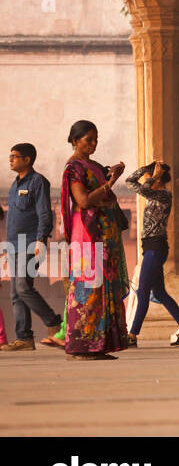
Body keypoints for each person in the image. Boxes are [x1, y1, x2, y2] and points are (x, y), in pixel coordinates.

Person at [60, 120, 129, 361]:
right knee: (87, 289)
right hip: (87, 235)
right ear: (75, 140)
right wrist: (109, 183)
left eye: (95, 139)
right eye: (88, 139)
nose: (93, 144)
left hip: (104, 233)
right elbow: (84, 201)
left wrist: (108, 183)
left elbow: (105, 199)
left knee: (102, 290)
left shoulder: (94, 166)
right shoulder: (74, 168)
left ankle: (99, 346)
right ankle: (82, 347)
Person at [124, 162, 179, 348]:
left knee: (142, 292)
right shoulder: (154, 195)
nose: (147, 179)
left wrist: (154, 175)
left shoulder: (163, 195)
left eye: (151, 177)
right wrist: (147, 168)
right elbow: (129, 181)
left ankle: (132, 335)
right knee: (160, 293)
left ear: (159, 179)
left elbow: (140, 188)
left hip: (156, 248)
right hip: (150, 248)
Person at [2, 143, 61, 351]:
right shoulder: (14, 185)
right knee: (15, 293)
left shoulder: (38, 182)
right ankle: (24, 338)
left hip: (30, 243)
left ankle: (54, 322)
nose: (10, 159)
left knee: (23, 288)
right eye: (10, 156)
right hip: (14, 245)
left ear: (27, 160)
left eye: (14, 156)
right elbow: (14, 218)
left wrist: (40, 239)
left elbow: (44, 213)